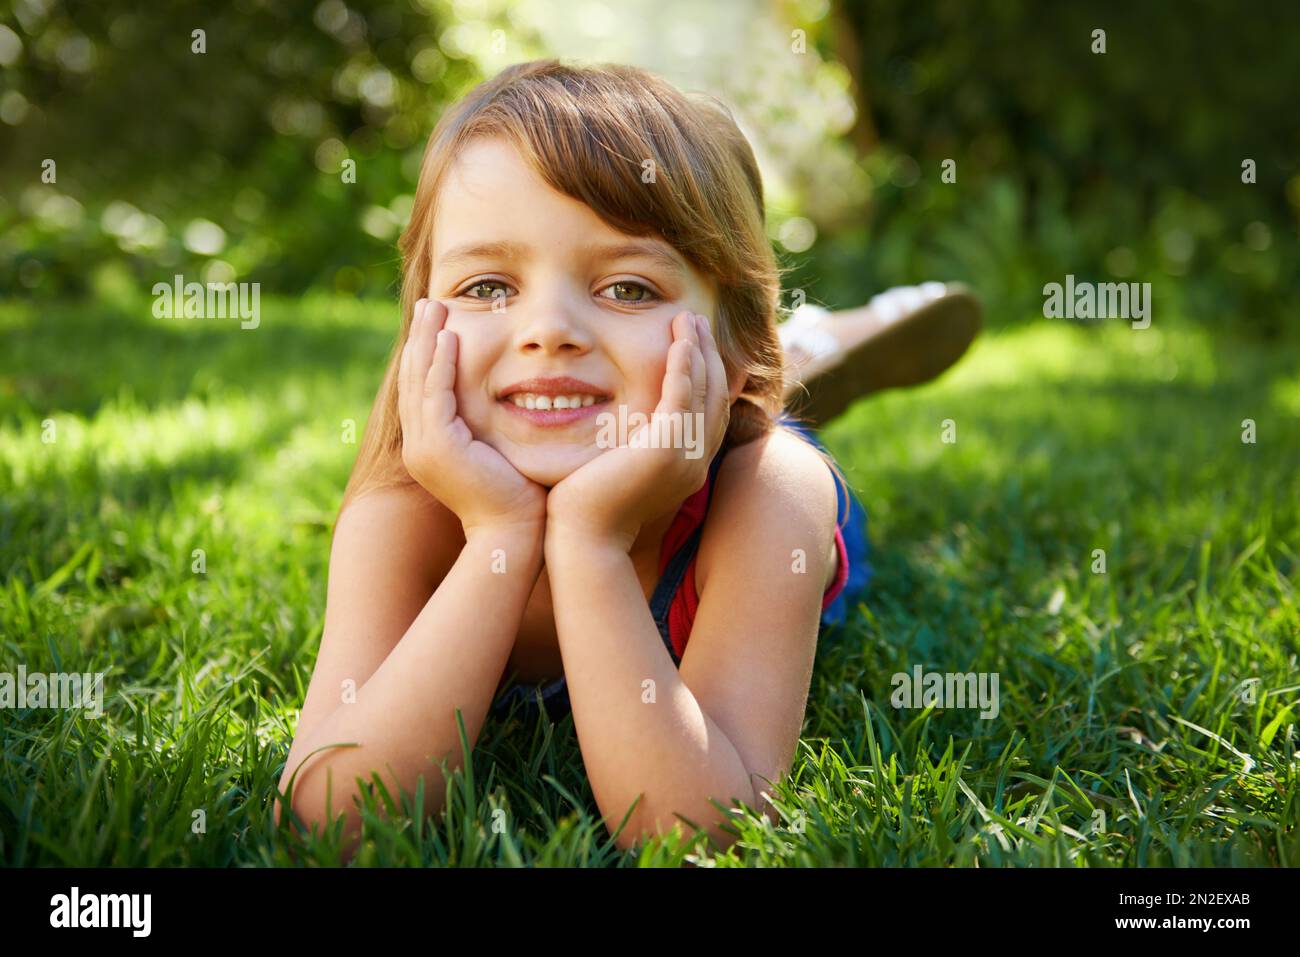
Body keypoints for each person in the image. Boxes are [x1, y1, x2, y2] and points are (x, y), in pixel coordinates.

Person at [276, 59, 980, 858]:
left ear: (733, 345)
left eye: (630, 290)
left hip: (717, 453)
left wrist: (586, 542)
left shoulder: (769, 496)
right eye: (487, 286)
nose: (549, 329)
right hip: (695, 378)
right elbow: (328, 822)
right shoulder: (404, 510)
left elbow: (703, 836)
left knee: (780, 423)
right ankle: (808, 338)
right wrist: (502, 535)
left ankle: (804, 346)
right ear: (420, 330)